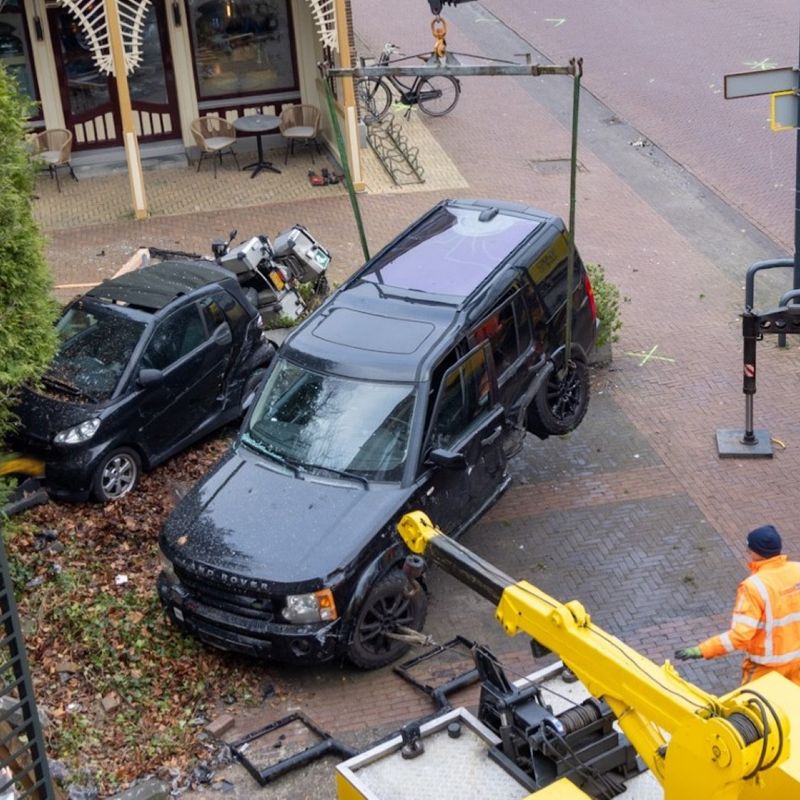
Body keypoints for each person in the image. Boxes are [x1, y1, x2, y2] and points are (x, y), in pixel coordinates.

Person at [674, 525, 800, 685]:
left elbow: (740, 636)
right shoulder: (798, 570)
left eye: (749, 548)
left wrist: (702, 650)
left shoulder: (754, 587)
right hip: (798, 664)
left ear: (756, 552)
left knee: (752, 707)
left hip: (766, 668)